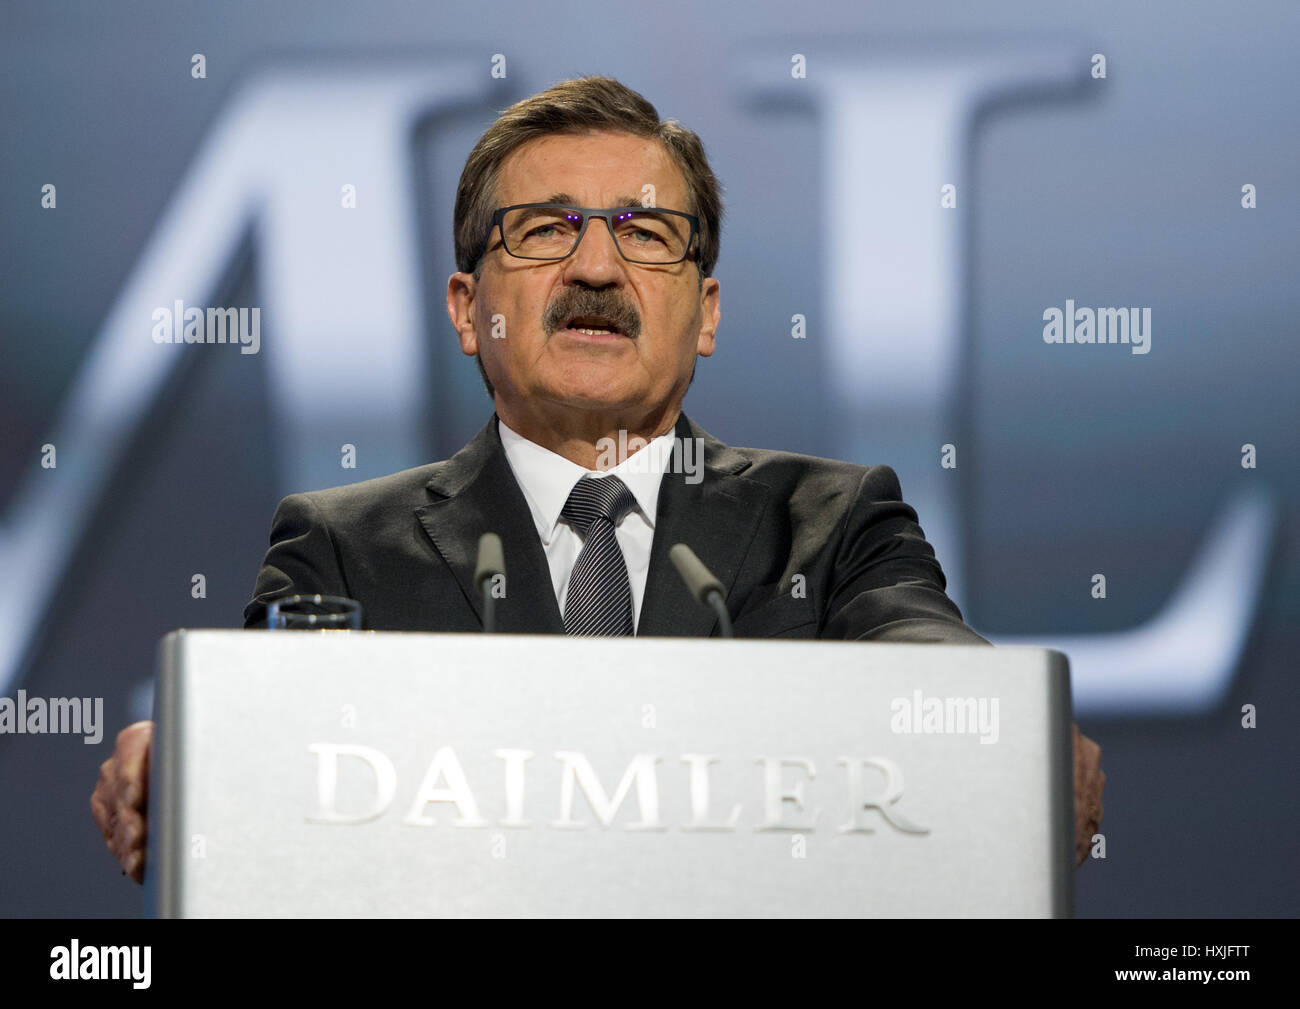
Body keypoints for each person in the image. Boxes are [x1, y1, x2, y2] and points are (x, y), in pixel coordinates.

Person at [93, 75, 1105, 887]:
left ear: (705, 312)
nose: (594, 268)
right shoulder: (343, 543)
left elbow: (925, 654)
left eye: (645, 232)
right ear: (464, 307)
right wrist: (186, 751)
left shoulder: (832, 523)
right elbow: (264, 729)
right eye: (542, 229)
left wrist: (1003, 729)